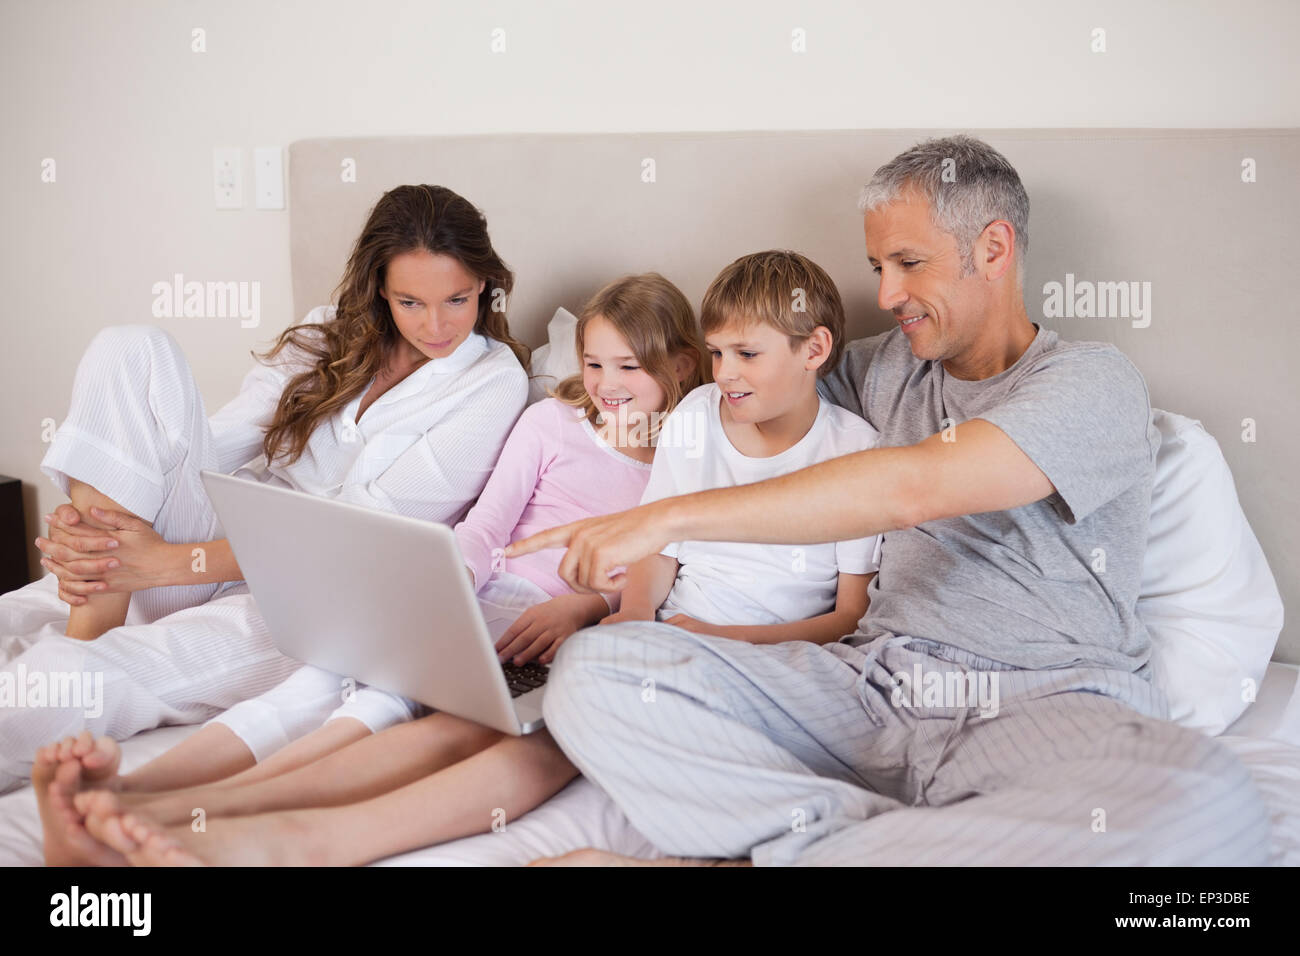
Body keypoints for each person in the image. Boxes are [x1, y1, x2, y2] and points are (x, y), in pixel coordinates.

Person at [508, 135, 1273, 867]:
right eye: (878, 266)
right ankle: (867, 840)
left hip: (1043, 698)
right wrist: (603, 403)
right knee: (598, 672)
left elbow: (916, 486)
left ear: (993, 250)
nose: (885, 295)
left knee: (1208, 809)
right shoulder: (882, 368)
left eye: (908, 263)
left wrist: (662, 517)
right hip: (868, 686)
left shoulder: (1091, 383)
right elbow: (746, 385)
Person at [39, 272, 711, 866]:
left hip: (552, 635)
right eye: (594, 363)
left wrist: (585, 606)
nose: (607, 384)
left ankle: (199, 813)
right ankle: (134, 792)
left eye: (629, 367)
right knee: (319, 683)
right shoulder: (551, 425)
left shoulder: (687, 464)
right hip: (476, 595)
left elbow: (655, 573)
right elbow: (485, 529)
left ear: (681, 366)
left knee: (380, 708)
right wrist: (446, 593)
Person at [3, 183, 531, 797]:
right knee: (130, 347)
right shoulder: (329, 333)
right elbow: (219, 443)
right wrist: (116, 496)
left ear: (485, 285)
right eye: (410, 301)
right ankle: (99, 591)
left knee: (82, 678)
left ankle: (94, 618)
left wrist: (161, 563)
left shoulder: (493, 382)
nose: (435, 325)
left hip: (307, 600)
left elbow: (357, 533)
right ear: (380, 290)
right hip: (205, 539)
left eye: (456, 300)